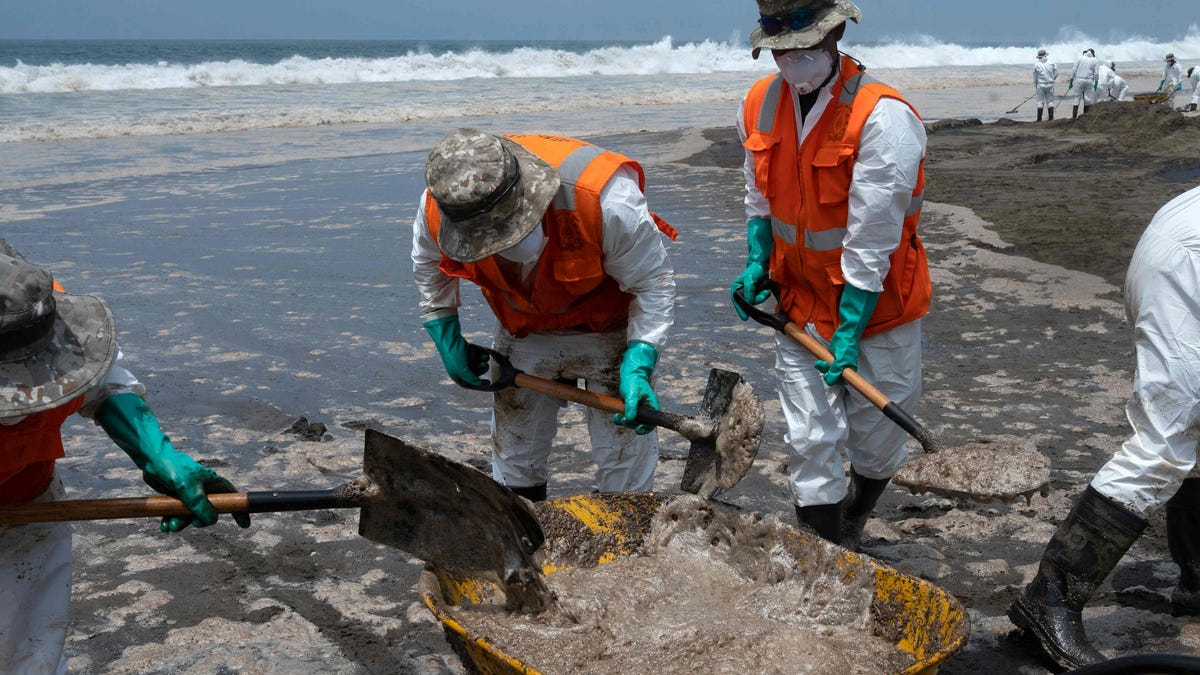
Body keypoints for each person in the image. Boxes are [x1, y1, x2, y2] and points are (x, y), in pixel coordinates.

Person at [731, 0, 930, 549]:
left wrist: (848, 330)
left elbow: (872, 239)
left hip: (880, 309)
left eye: (801, 49)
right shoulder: (758, 103)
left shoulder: (883, 118)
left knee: (877, 439)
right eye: (780, 51)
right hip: (798, 306)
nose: (790, 61)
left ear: (833, 35)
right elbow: (758, 197)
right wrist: (756, 261)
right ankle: (822, 550)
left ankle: (857, 512)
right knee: (809, 439)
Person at [0, 243, 248, 673]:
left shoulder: (33, 305)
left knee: (28, 658)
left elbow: (102, 381)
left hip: (29, 512)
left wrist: (159, 455)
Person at [411, 128, 677, 502]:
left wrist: (641, 357)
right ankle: (525, 538)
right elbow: (428, 266)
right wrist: (445, 331)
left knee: (622, 448)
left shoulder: (605, 200)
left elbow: (653, 284)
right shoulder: (443, 205)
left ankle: (624, 546)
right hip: (524, 329)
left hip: (609, 326)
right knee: (516, 446)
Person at [1008, 185, 1200, 670]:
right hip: (1186, 267)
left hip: (1176, 243)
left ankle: (1198, 577)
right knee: (1166, 437)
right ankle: (1050, 597)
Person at [1069, 48, 1100, 118]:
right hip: (1089, 81)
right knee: (1088, 99)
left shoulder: (1080, 58)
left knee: (1077, 98)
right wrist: (1096, 83)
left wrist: (1071, 80)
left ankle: (1074, 117)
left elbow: (1074, 69)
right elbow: (1096, 73)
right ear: (1093, 53)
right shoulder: (1095, 60)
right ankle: (1085, 117)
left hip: (1079, 80)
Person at [1034, 49, 1058, 121]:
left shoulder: (1036, 65)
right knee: (1050, 101)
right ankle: (1051, 118)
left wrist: (1036, 85)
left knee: (1040, 102)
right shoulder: (1052, 63)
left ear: (1039, 57)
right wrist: (1052, 79)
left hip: (1040, 85)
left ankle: (1039, 119)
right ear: (1046, 55)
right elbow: (1056, 73)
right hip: (1050, 84)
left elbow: (1035, 77)